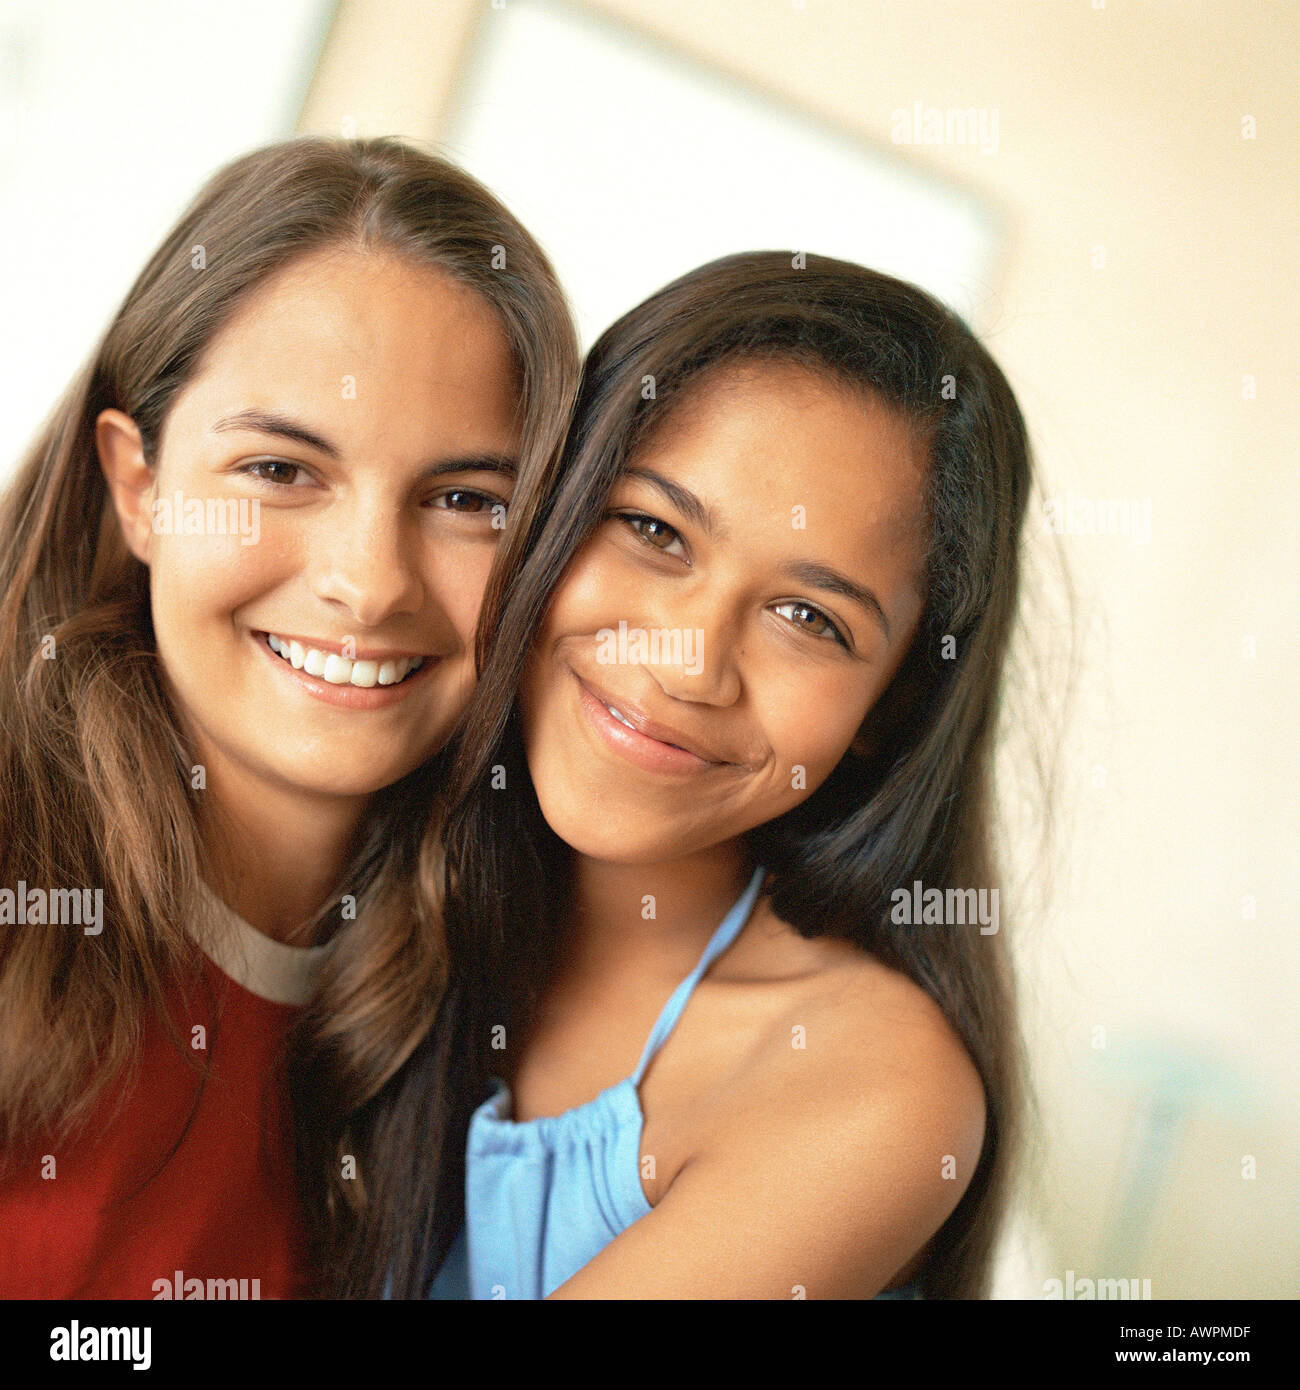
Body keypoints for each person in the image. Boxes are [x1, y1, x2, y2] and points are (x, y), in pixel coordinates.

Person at [363, 250, 1032, 1300]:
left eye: (809, 618)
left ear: (890, 706)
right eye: (652, 529)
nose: (689, 660)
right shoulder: (383, 863)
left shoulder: (870, 1083)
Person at [0, 135, 578, 1298]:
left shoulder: (500, 994)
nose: (369, 583)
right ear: (138, 487)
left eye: (467, 501)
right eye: (279, 470)